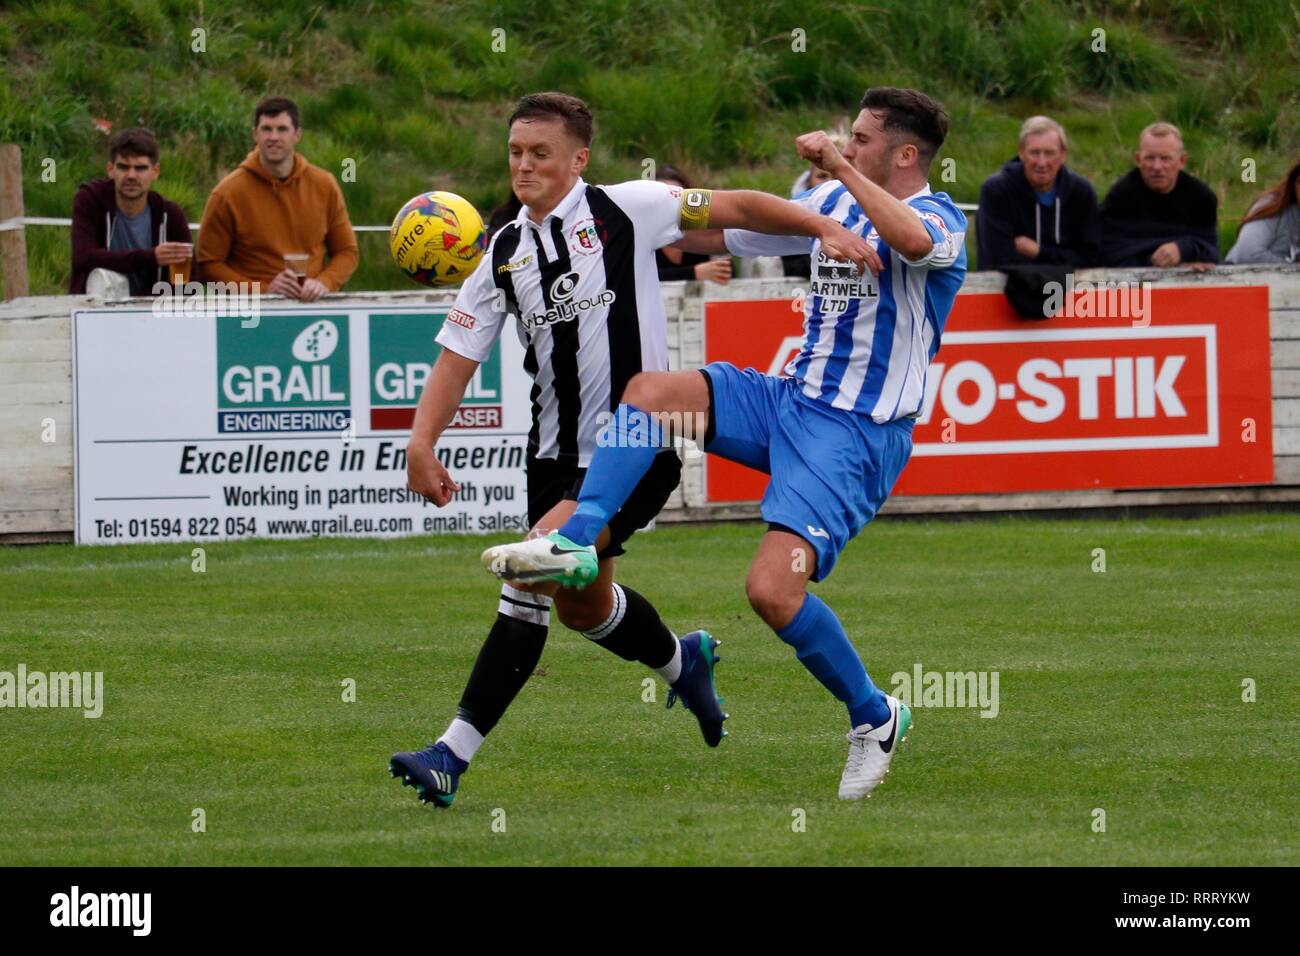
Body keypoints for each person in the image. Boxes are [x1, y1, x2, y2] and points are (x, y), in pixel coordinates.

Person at [391, 91, 874, 807]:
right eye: (516, 153)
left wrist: (819, 227)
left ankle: (449, 756)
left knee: (532, 574)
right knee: (583, 607)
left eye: (541, 153)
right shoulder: (503, 251)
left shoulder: (630, 208)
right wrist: (421, 442)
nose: (524, 165)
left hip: (640, 442)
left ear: (578, 159)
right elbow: (459, 351)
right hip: (552, 456)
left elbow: (736, 206)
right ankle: (686, 664)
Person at [483, 87, 966, 802]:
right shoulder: (828, 206)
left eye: (861, 139)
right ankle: (579, 539)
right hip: (787, 400)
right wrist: (623, 217)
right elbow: (724, 229)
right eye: (847, 137)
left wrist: (838, 165)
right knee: (650, 392)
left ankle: (875, 715)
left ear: (903, 153)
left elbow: (913, 243)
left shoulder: (939, 217)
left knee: (771, 593)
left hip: (857, 434)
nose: (846, 144)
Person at [196, 96, 357, 302]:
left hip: (313, 309)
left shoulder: (325, 185)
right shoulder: (227, 193)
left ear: (297, 134)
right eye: (266, 129)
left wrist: (323, 283)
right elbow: (208, 265)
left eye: (282, 129)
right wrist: (263, 291)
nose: (273, 137)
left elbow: (347, 251)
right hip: (252, 314)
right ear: (255, 134)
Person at [69, 127, 193, 296]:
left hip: (151, 312)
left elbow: (187, 283)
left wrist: (135, 305)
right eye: (123, 167)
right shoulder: (90, 201)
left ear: (155, 172)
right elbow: (83, 259)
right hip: (95, 311)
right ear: (110, 169)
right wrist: (151, 257)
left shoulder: (170, 215)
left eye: (140, 168)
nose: (131, 175)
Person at [976, 115, 1100, 270]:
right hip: (1004, 290)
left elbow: (1090, 259)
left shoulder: (1082, 193)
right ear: (1021, 153)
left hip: (1070, 290)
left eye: (1049, 153)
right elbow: (997, 258)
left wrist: (1039, 252)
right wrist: (1062, 260)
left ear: (1063, 155)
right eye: (1034, 152)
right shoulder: (996, 191)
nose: (1042, 163)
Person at [1100, 122, 1218, 270]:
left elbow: (1211, 252)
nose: (1157, 167)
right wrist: (1154, 260)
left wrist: (1182, 249)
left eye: (1165, 159)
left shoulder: (1201, 197)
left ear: (1182, 161)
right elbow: (1108, 252)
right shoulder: (1121, 196)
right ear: (1138, 160)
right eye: (1149, 158)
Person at [784, 129, 848, 278]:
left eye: (838, 176)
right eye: (822, 176)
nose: (830, 184)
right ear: (808, 181)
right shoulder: (790, 215)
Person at [654, 166, 731, 285]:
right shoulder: (643, 239)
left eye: (676, 197)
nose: (669, 206)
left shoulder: (704, 235)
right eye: (662, 198)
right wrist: (694, 273)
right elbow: (636, 278)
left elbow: (727, 273)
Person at [1225, 159, 1300, 264]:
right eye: (1299, 181)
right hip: (1243, 276)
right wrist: (1290, 269)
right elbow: (1247, 253)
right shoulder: (1273, 204)